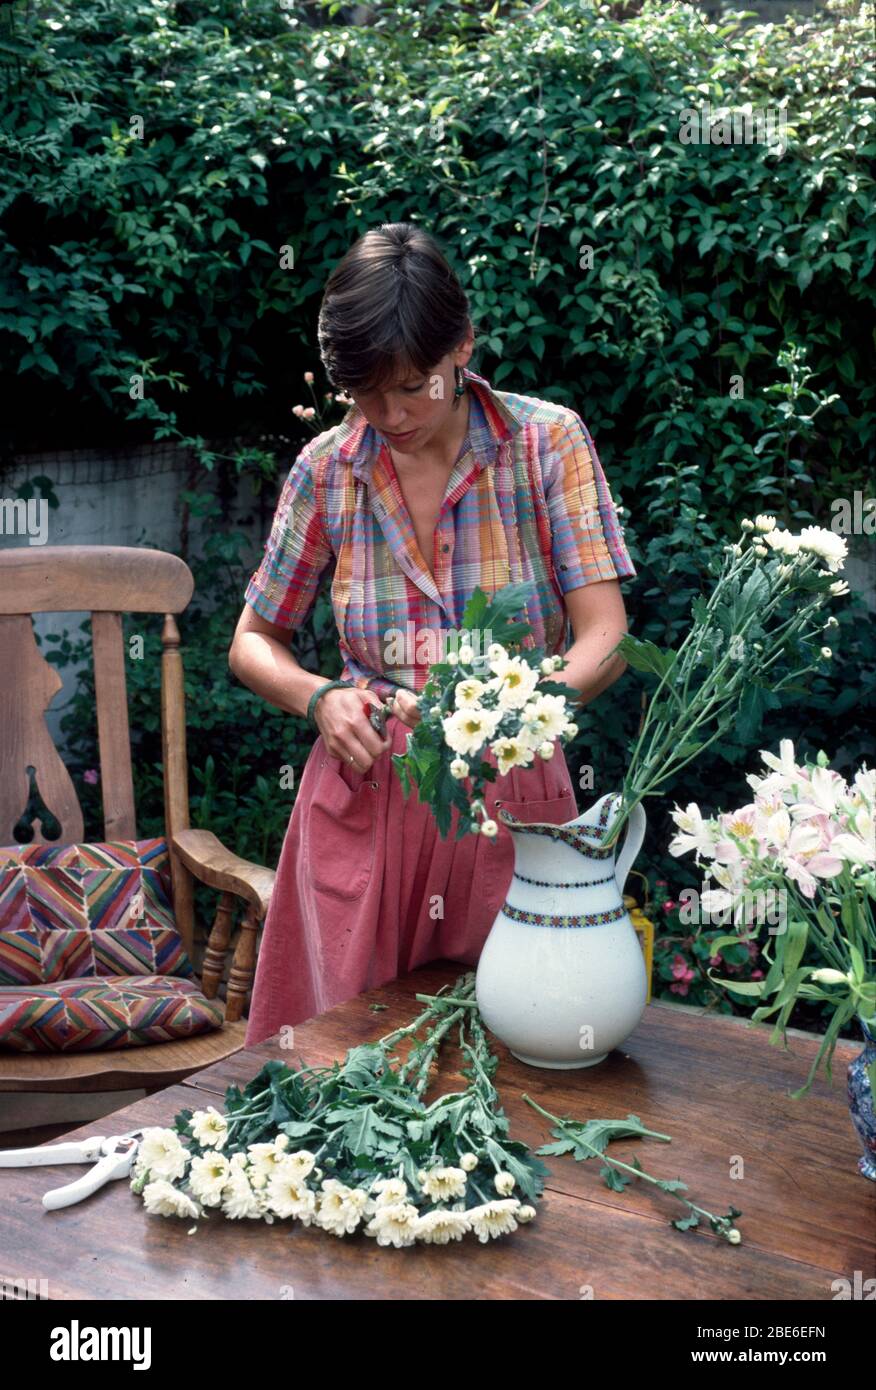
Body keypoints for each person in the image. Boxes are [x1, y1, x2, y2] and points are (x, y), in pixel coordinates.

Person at [229, 222, 636, 1046]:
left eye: (412, 387)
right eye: (364, 395)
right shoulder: (326, 470)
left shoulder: (546, 444)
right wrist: (321, 698)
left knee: (516, 1058)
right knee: (348, 1064)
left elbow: (608, 638)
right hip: (364, 792)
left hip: (512, 802)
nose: (390, 414)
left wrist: (522, 711)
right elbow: (251, 640)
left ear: (463, 347)